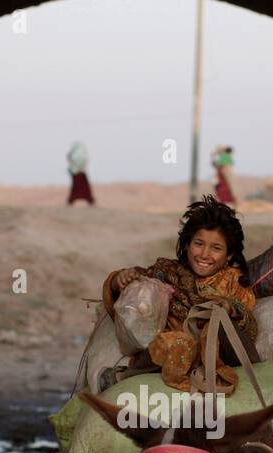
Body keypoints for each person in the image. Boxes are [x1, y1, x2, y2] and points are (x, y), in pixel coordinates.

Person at [102, 195, 257, 394]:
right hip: (172, 348)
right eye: (198, 243)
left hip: (217, 353)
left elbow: (248, 322)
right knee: (172, 343)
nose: (204, 255)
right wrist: (119, 280)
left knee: (217, 325)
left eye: (216, 248)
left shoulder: (235, 281)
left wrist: (228, 308)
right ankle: (126, 375)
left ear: (228, 255)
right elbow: (138, 284)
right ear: (186, 244)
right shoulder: (167, 272)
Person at [67, 141, 94, 205]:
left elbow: (77, 162)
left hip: (78, 172)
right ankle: (72, 199)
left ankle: (89, 200)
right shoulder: (80, 153)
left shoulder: (78, 154)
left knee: (80, 187)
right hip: (78, 173)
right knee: (78, 187)